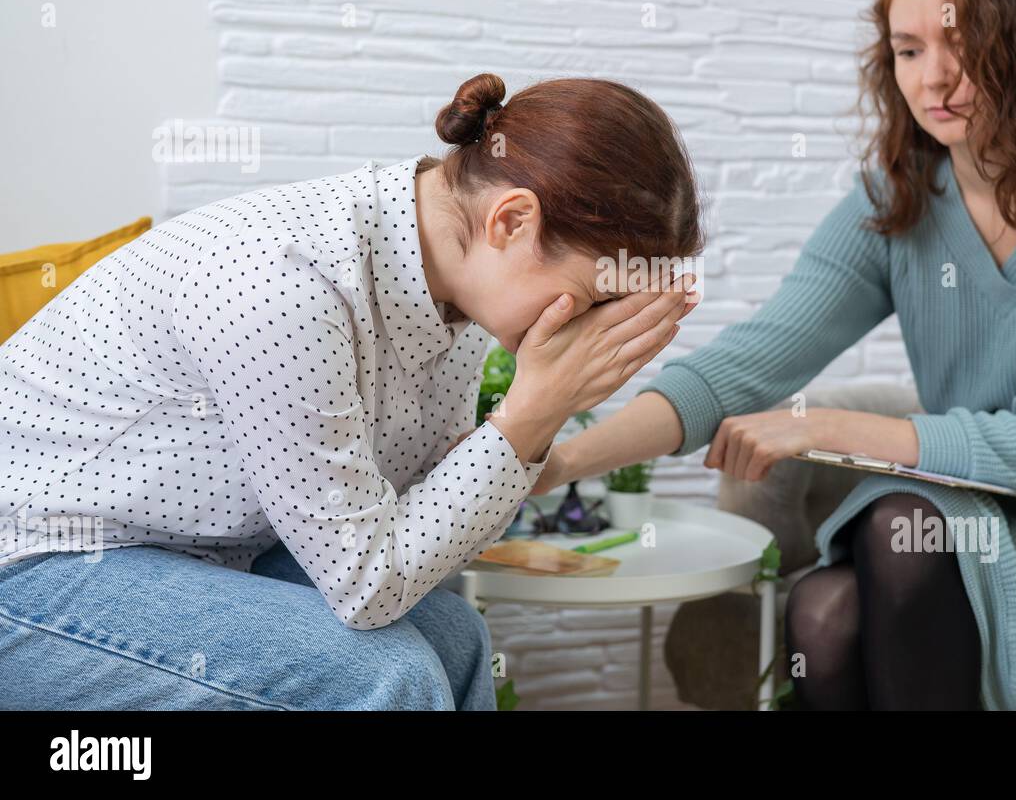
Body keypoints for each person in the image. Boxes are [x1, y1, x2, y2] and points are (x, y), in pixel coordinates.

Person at [539, 0, 1016, 711]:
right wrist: (549, 465)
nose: (936, 79)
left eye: (964, 41)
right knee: (827, 615)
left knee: (895, 544)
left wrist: (821, 428)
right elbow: (745, 365)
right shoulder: (896, 203)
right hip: (959, 508)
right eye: (908, 49)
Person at [0, 73, 702, 710]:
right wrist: (528, 415)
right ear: (511, 222)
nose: (589, 338)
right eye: (590, 302)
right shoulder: (285, 281)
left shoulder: (452, 292)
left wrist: (524, 432)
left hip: (194, 555)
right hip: (37, 564)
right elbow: (368, 585)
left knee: (458, 644)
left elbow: (404, 522)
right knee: (384, 677)